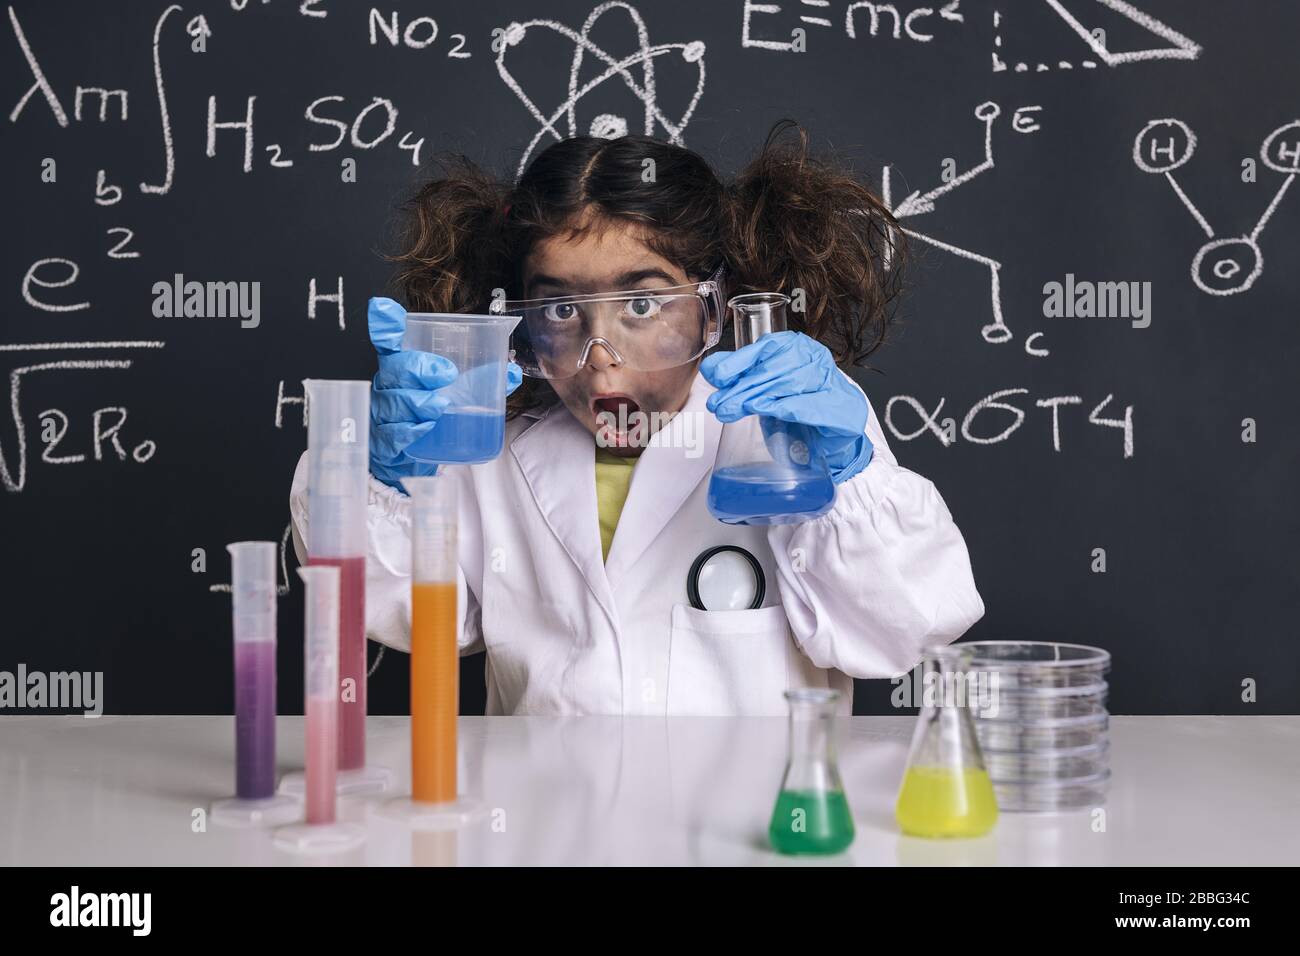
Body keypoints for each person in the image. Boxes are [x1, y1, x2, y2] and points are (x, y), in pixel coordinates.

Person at [290, 122, 984, 716]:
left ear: (719, 301)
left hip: (751, 835)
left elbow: (906, 629)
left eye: (644, 306)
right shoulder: (489, 454)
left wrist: (848, 478)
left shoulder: (788, 433)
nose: (603, 364)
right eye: (560, 312)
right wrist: (378, 473)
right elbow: (385, 610)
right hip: (542, 829)